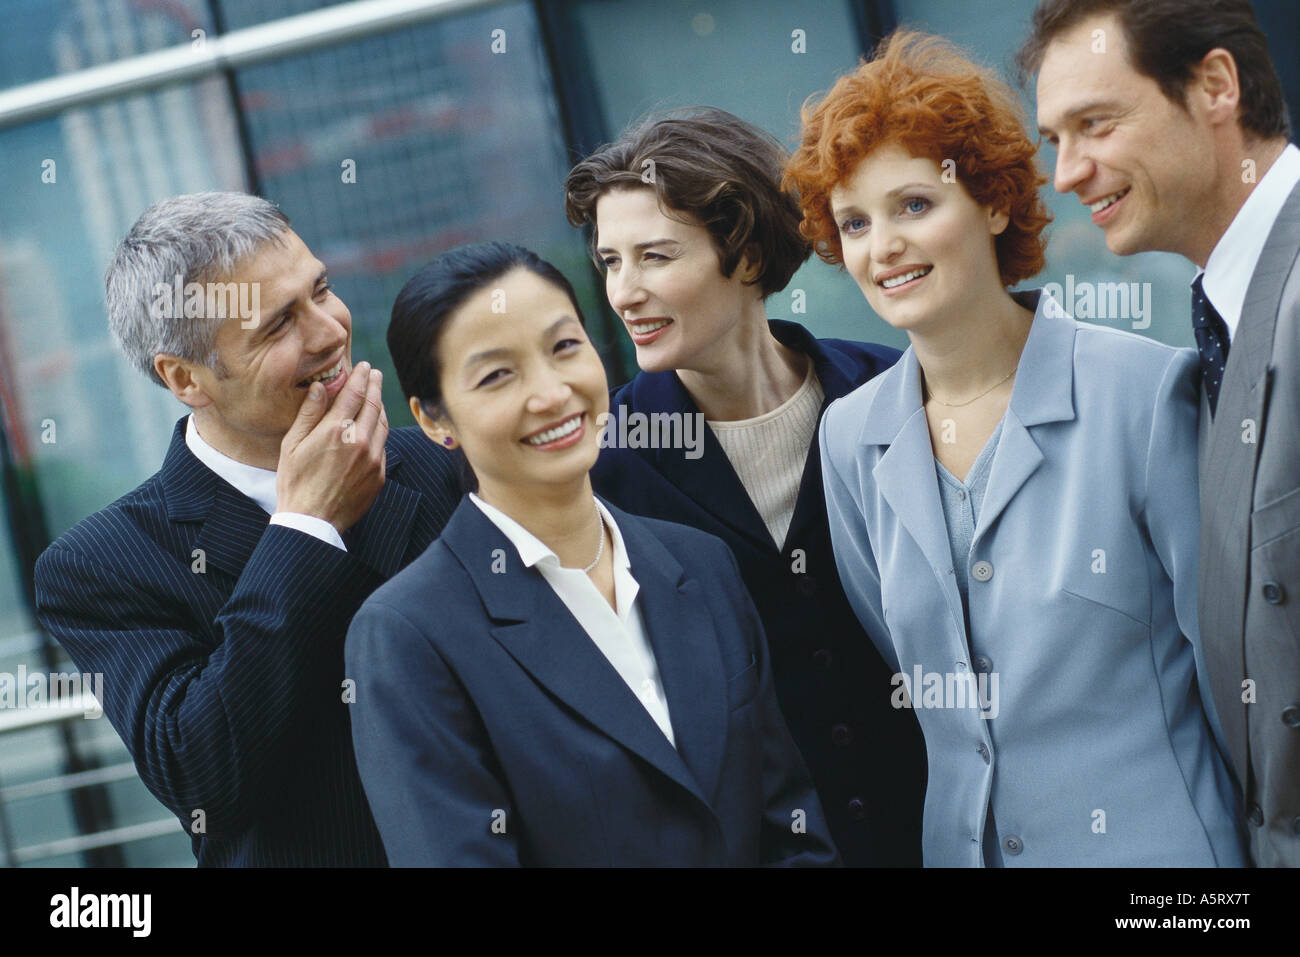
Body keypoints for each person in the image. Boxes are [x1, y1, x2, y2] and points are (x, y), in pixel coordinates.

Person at [784, 30, 1245, 866]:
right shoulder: (850, 438)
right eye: (853, 222)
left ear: (993, 203)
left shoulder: (1144, 395)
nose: (881, 246)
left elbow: (1232, 679)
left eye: (914, 205)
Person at [347, 241, 838, 867]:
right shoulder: (410, 634)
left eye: (564, 347)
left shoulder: (702, 565)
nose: (551, 393)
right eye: (497, 375)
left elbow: (792, 828)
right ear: (435, 419)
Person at [33, 192, 462, 866]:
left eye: (320, 289)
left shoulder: (436, 466)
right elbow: (203, 772)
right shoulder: (103, 564)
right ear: (185, 378)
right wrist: (304, 529)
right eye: (278, 325)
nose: (328, 331)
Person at [564, 108, 927, 866]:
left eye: (655, 256)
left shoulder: (893, 392)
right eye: (609, 262)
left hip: (945, 832)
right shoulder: (604, 467)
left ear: (750, 253)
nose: (624, 292)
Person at [1023, 0, 1299, 868]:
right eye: (1054, 140)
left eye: (1095, 124)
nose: (1066, 173)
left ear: (1216, 86)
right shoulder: (1229, 313)